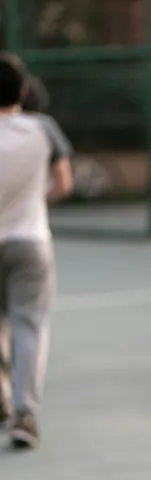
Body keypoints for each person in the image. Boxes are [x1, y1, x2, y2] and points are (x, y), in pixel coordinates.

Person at [0, 53, 73, 449]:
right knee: (28, 325)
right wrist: (36, 200)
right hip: (30, 239)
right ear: (23, 91)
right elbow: (63, 183)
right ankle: (24, 413)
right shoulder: (43, 128)